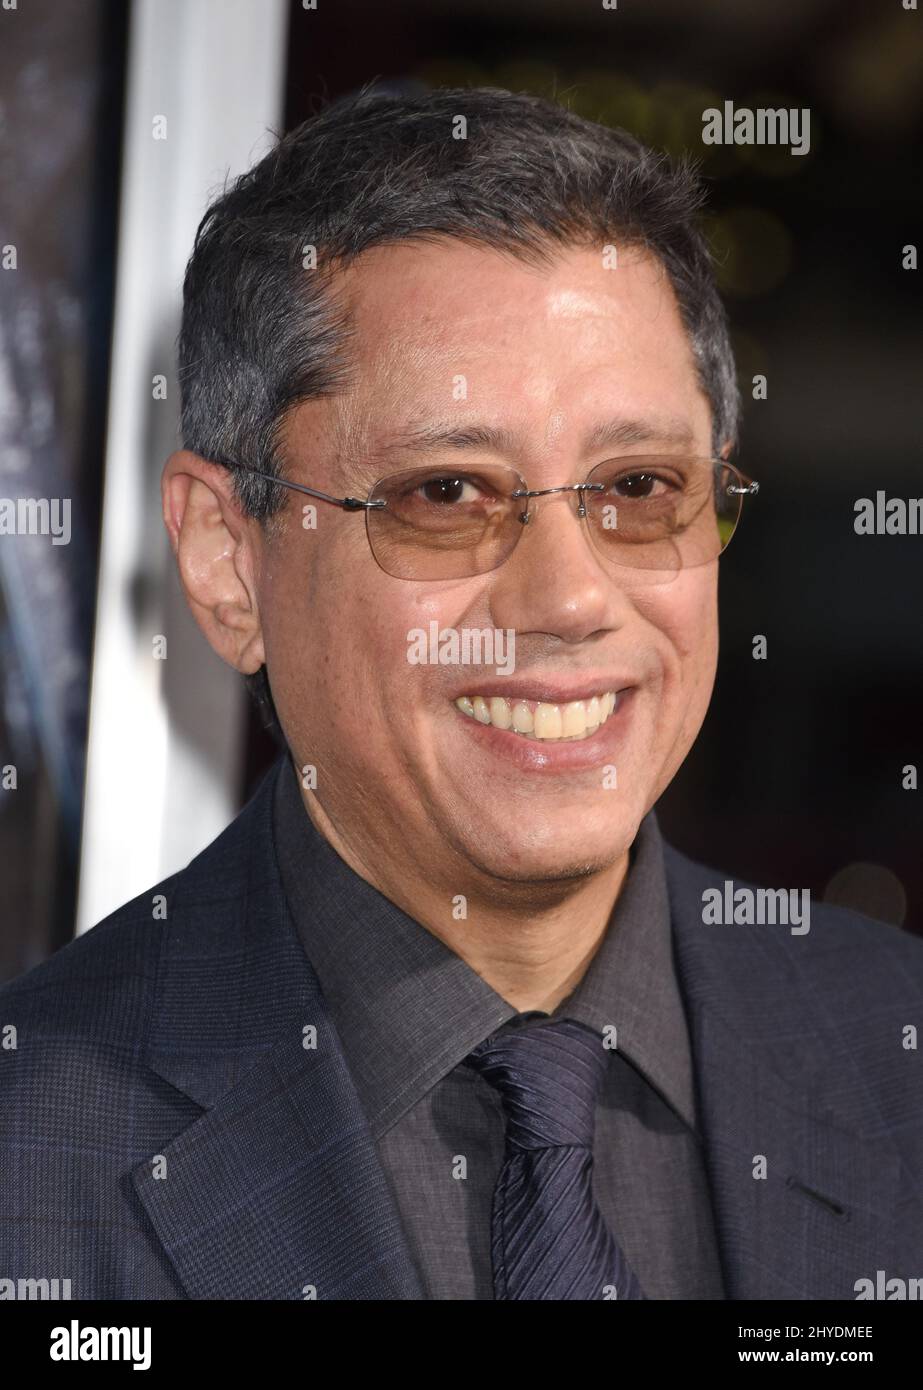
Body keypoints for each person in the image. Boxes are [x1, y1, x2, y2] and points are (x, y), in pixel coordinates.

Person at [1, 86, 920, 1302]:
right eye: (446, 494)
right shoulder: (31, 1168)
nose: (569, 597)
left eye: (637, 486)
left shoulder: (891, 1055)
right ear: (229, 561)